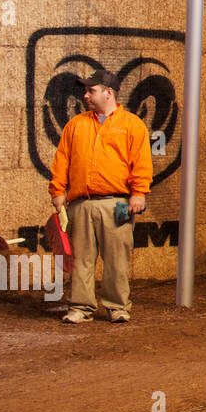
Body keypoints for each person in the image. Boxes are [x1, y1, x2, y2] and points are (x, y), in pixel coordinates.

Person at [49, 70, 152, 324]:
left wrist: (138, 193)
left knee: (117, 259)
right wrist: (58, 191)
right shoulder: (76, 125)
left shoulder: (132, 125)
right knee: (81, 259)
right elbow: (62, 159)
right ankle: (81, 308)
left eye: (90, 91)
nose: (85, 95)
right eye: (85, 91)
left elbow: (141, 163)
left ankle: (117, 307)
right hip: (81, 203)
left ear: (109, 92)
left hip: (117, 202)